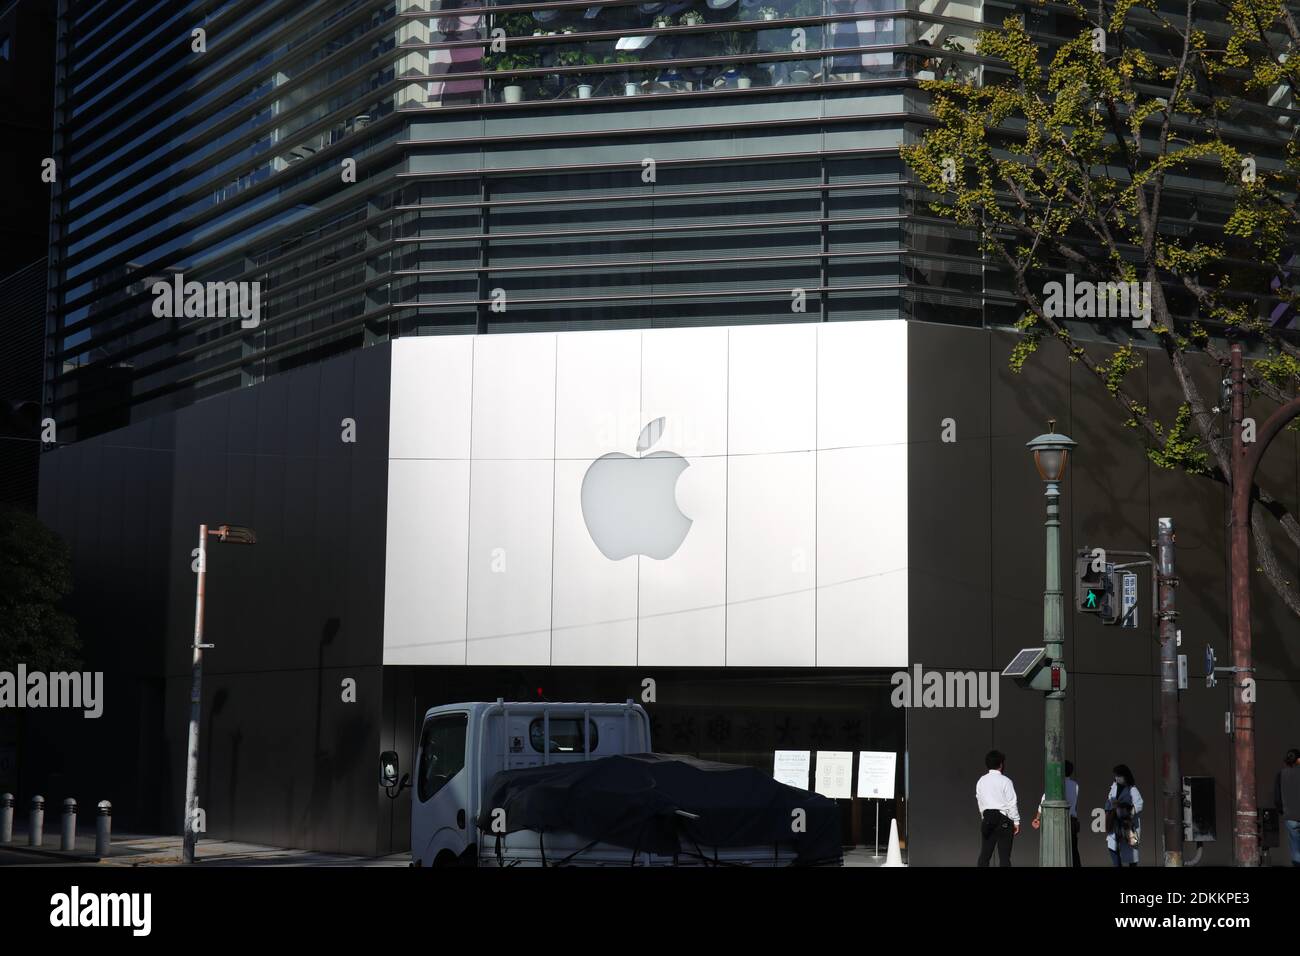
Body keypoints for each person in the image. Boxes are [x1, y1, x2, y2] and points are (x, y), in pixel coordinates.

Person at [1031, 759, 1081, 866]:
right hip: (1072, 820)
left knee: (1055, 850)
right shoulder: (1075, 785)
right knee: (1073, 851)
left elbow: (1043, 803)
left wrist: (1037, 818)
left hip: (1058, 822)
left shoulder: (1056, 784)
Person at [976, 749, 1020, 866]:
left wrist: (984, 817)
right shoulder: (1006, 781)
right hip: (1003, 820)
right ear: (1001, 764)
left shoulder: (981, 781)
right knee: (1005, 857)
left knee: (985, 855)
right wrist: (1016, 821)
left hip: (988, 818)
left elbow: (980, 801)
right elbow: (1012, 802)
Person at [1104, 764, 1143, 867]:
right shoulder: (1113, 787)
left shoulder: (1132, 789)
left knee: (1131, 850)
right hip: (1115, 823)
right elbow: (1108, 802)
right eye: (1116, 775)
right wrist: (1110, 807)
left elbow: (1139, 805)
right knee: (1112, 846)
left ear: (1125, 776)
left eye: (1119, 775)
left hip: (1127, 824)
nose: (1117, 778)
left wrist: (1123, 808)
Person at [1274, 748, 1300, 866]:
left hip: (1290, 816)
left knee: (1295, 848)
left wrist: (1282, 811)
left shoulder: (1281, 774)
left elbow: (1277, 797)